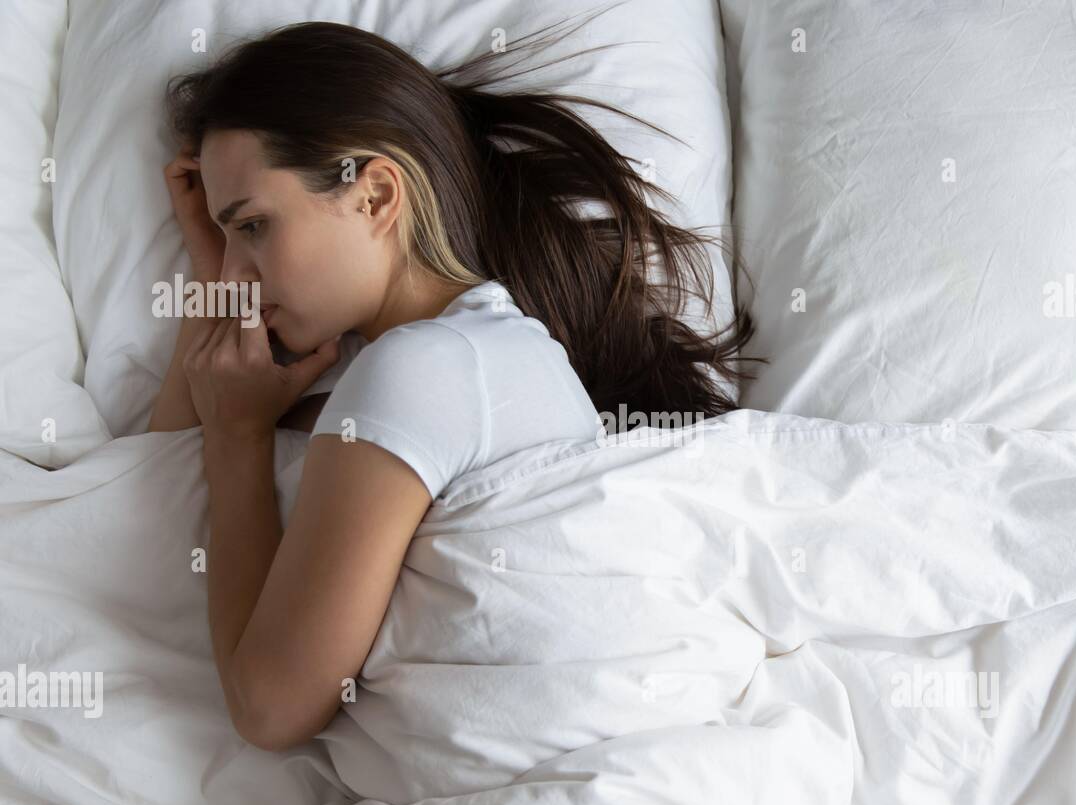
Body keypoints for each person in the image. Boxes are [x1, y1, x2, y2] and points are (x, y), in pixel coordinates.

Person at [145, 16, 758, 752]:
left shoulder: (418, 371)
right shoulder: (469, 355)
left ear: (374, 196)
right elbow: (157, 483)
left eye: (254, 227)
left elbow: (269, 709)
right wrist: (212, 269)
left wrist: (239, 438)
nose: (239, 275)